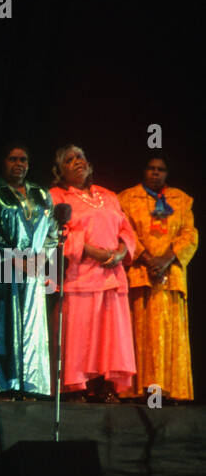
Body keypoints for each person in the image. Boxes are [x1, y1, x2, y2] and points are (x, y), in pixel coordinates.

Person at [48, 145, 137, 402]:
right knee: (81, 335)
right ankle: (77, 388)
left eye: (81, 157)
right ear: (59, 170)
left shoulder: (108, 195)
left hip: (111, 276)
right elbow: (56, 233)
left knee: (109, 337)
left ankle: (106, 386)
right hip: (79, 275)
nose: (77, 162)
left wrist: (120, 253)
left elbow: (126, 230)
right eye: (69, 160)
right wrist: (93, 252)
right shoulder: (57, 196)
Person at [0, 144, 56, 399]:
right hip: (3, 269)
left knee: (32, 329)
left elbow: (52, 230)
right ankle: (6, 384)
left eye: (23, 159)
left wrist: (42, 257)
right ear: (3, 162)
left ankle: (31, 385)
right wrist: (13, 258)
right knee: (5, 326)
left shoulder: (42, 194)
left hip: (34, 270)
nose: (18, 164)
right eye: (12, 159)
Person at [118, 156, 197, 402]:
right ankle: (137, 389)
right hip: (140, 273)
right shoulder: (127, 198)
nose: (155, 173)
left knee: (170, 332)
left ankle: (171, 390)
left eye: (161, 169)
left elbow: (190, 234)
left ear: (167, 173)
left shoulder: (181, 200)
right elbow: (124, 231)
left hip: (171, 275)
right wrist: (146, 257)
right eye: (151, 168)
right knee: (138, 331)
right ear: (143, 171)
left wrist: (165, 259)